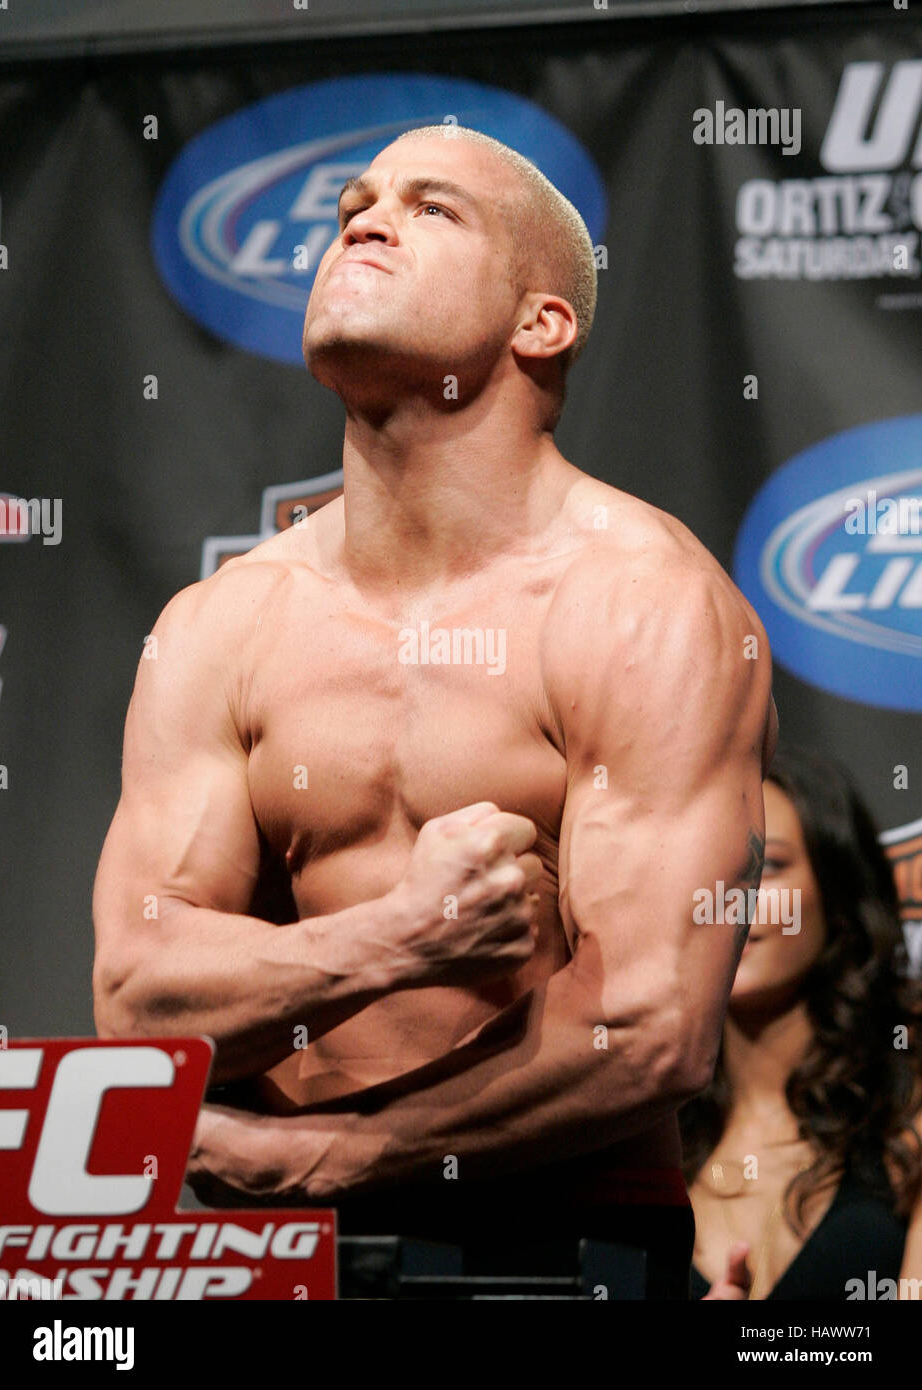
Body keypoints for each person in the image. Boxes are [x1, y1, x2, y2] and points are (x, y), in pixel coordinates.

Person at [92, 125, 777, 1298]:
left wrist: (347, 1156)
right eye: (354, 202)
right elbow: (139, 997)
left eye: (431, 208)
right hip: (279, 1263)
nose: (363, 218)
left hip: (558, 1259)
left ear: (540, 323)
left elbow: (654, 1023)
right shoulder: (220, 625)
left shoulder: (640, 602)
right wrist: (394, 936)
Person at [681, 746, 922, 1301]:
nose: (733, 900)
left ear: (837, 898)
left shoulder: (907, 1109)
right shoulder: (644, 1131)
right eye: (709, 872)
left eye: (767, 868)